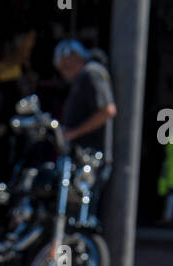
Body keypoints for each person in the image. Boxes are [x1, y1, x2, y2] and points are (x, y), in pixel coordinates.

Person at [54, 38, 116, 211]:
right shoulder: (83, 77)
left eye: (64, 66)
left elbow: (107, 111)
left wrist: (73, 133)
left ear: (73, 57)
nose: (63, 72)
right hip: (82, 158)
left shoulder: (91, 73)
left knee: (84, 212)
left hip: (91, 160)